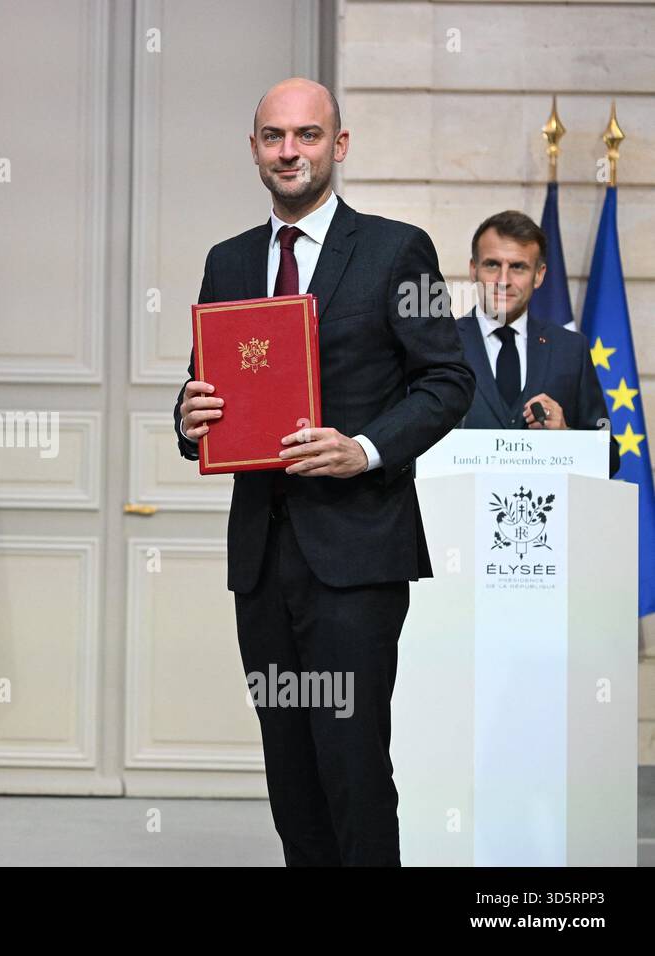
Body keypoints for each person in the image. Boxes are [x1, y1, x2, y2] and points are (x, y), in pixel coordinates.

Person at [174, 77, 474, 866]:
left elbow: (447, 381)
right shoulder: (228, 260)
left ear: (338, 146)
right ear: (253, 149)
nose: (290, 152)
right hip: (264, 563)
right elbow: (207, 390)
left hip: (357, 559)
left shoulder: (393, 249)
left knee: (353, 770)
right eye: (274, 137)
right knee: (292, 776)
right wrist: (186, 416)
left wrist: (365, 447)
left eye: (307, 136)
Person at [457, 210, 618, 475]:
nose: (503, 281)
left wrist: (566, 433)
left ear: (540, 275)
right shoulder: (439, 344)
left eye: (518, 267)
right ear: (474, 269)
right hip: (457, 511)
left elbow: (609, 457)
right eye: (492, 265)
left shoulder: (571, 349)